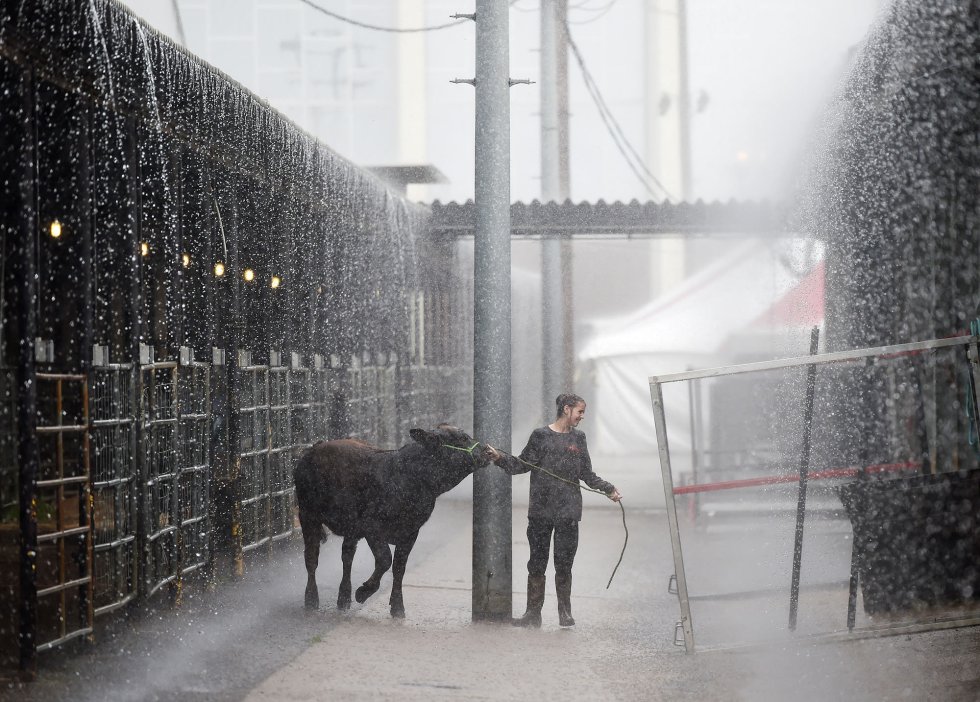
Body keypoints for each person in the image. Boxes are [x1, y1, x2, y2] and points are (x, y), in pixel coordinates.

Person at [487, 393, 622, 628]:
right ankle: (532, 614)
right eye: (580, 412)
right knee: (537, 562)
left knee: (564, 563)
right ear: (567, 409)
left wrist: (608, 489)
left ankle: (564, 612)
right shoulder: (540, 436)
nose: (582, 417)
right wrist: (499, 458)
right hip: (540, 511)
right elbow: (521, 464)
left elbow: (587, 474)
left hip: (568, 513)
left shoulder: (579, 439)